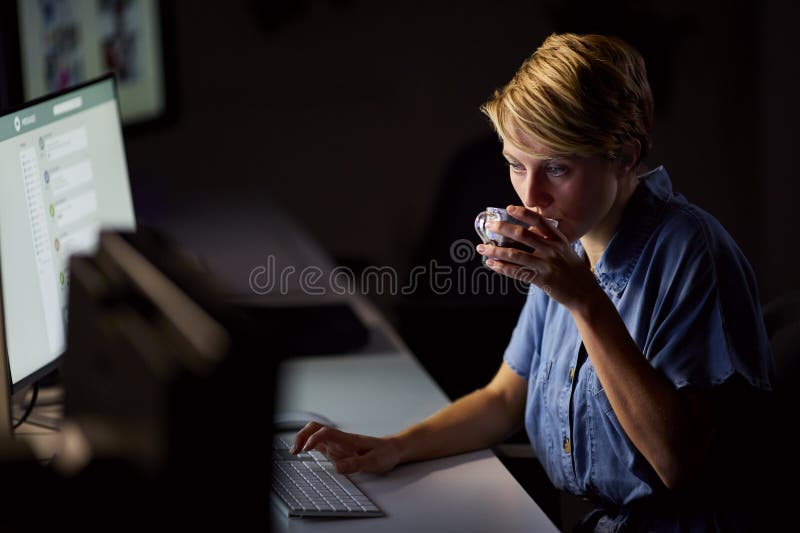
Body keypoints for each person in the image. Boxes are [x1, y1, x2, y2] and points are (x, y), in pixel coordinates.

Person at [291, 33, 775, 531]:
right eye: (516, 165)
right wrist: (393, 446)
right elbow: (503, 401)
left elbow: (680, 467)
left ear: (625, 156)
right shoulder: (569, 245)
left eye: (557, 168)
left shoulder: (691, 252)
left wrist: (585, 300)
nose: (531, 194)